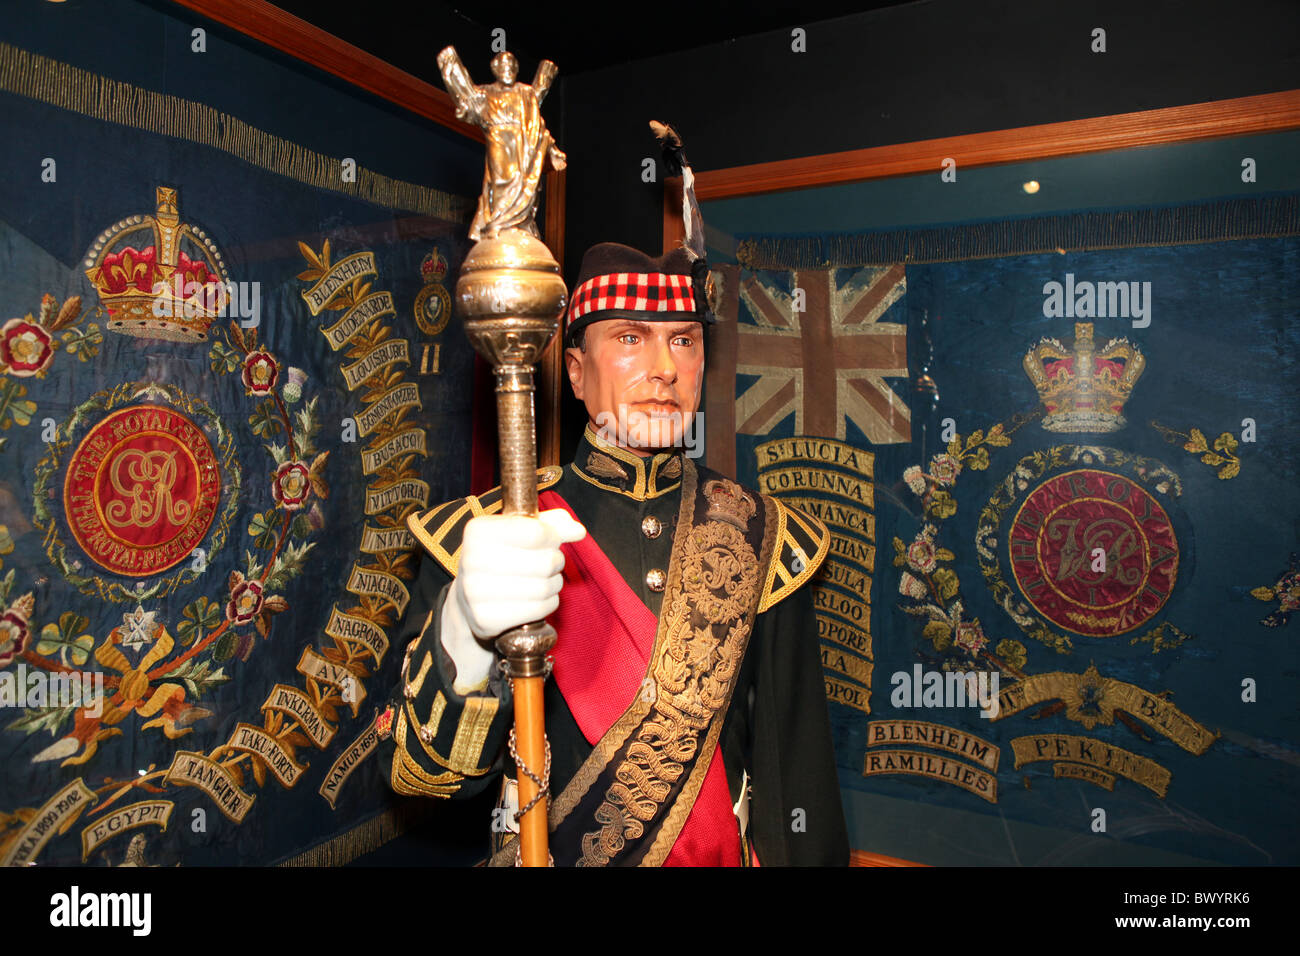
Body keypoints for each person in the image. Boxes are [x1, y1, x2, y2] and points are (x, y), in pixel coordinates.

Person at [377, 240, 849, 866]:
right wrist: (463, 630)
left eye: (684, 340)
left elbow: (798, 781)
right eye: (630, 339)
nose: (664, 368)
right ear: (575, 372)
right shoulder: (488, 537)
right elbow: (421, 775)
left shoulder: (761, 534)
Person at [436, 47, 565, 241]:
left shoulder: (526, 93)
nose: (508, 69)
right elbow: (466, 94)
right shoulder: (486, 93)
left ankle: (520, 223)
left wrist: (553, 149)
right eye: (503, 65)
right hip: (498, 142)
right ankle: (497, 223)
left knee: (526, 186)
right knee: (499, 184)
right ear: (495, 69)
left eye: (512, 65)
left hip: (524, 147)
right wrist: (450, 63)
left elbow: (537, 126)